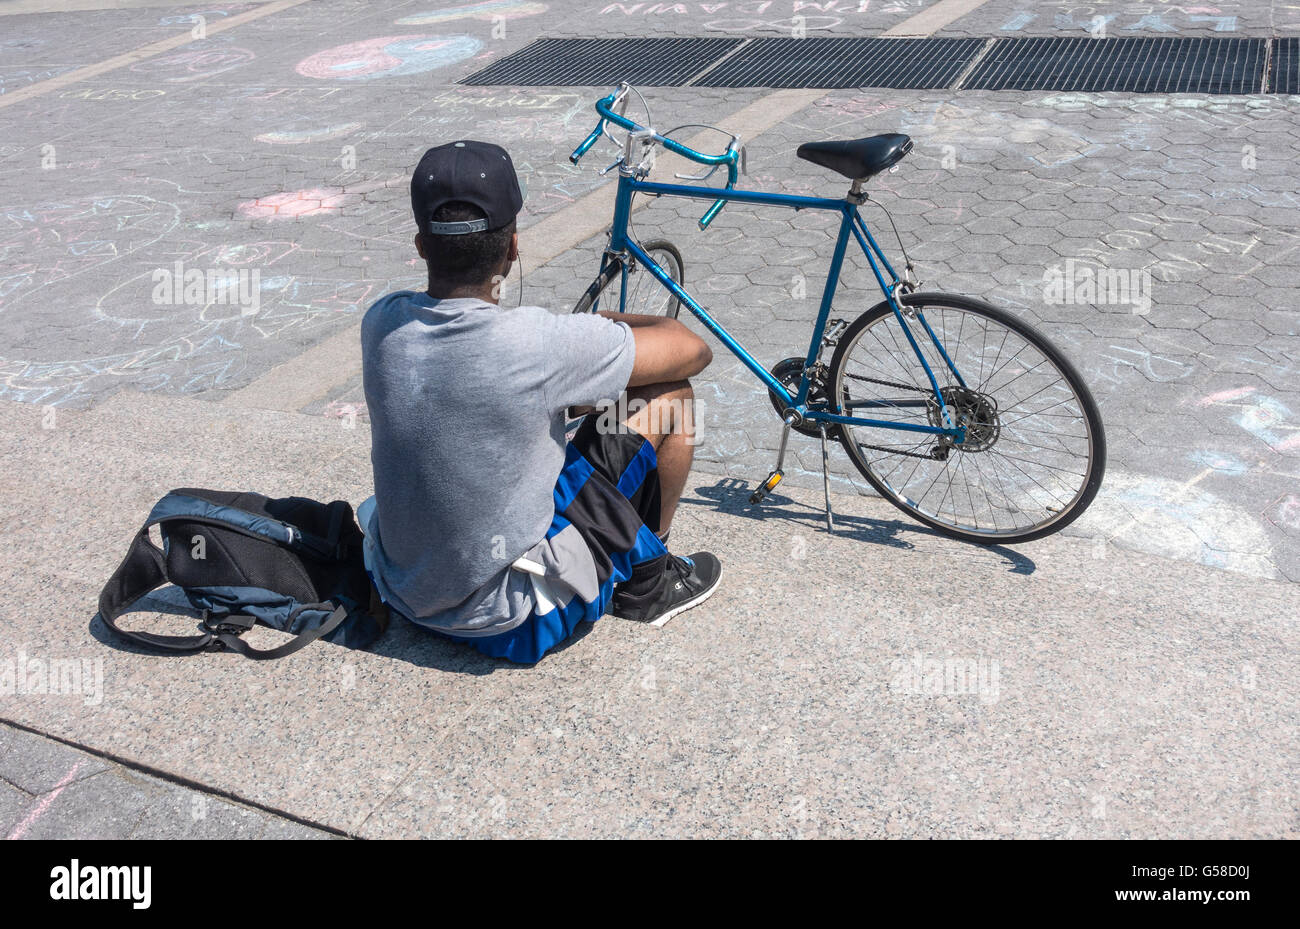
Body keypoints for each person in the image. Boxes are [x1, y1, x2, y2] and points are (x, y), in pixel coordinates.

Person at [358, 140, 722, 664]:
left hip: (403, 590)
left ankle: (638, 559)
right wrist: (590, 332)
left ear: (420, 245)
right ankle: (651, 578)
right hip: (509, 620)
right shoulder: (536, 342)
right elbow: (691, 349)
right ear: (512, 248)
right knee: (672, 396)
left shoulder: (383, 322)